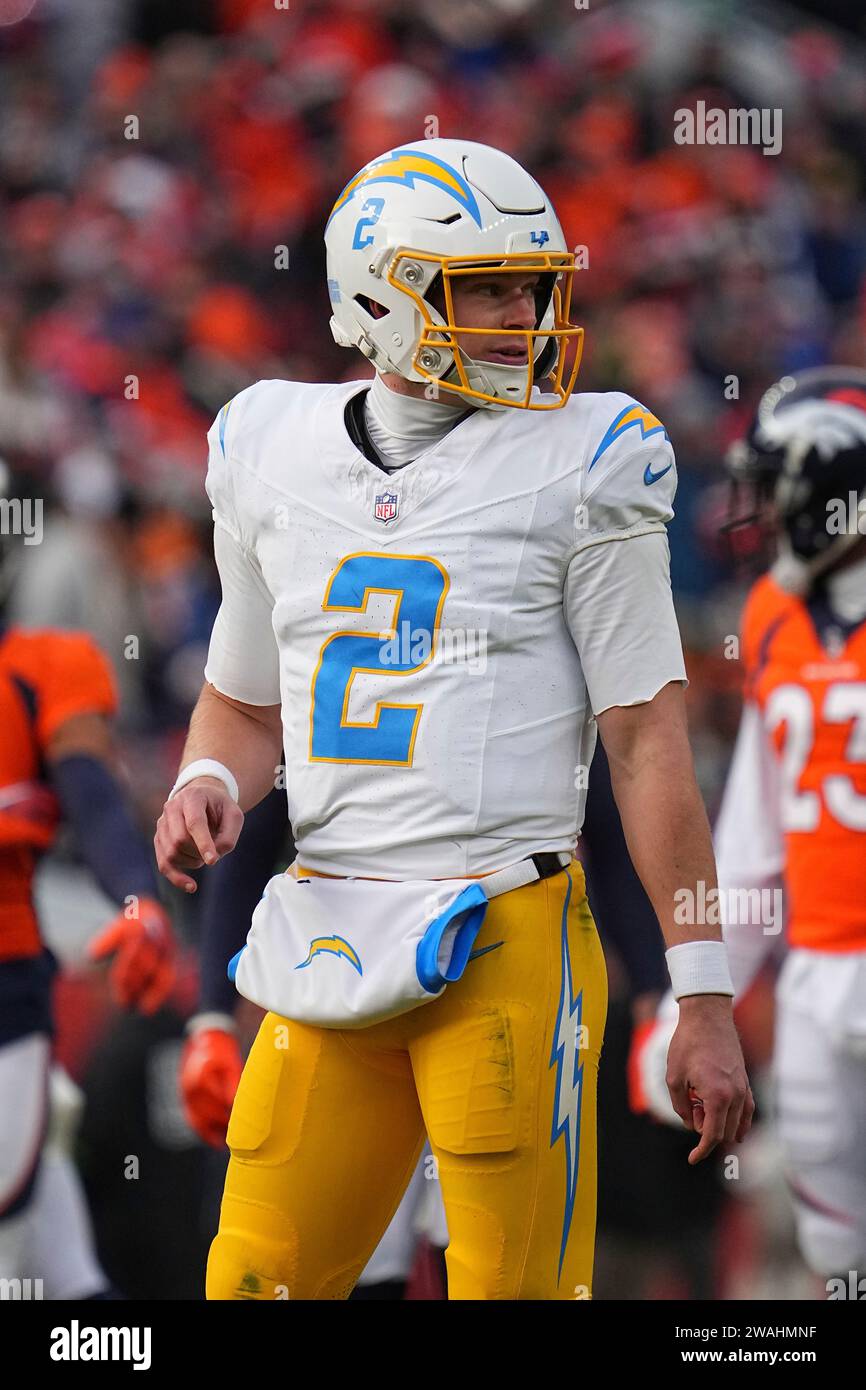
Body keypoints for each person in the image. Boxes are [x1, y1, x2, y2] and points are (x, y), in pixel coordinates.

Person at [155, 138, 752, 1301]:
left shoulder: (591, 455)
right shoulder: (267, 444)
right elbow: (240, 703)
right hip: (325, 930)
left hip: (505, 928)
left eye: (531, 284)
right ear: (380, 294)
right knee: (256, 1281)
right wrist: (207, 782)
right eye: (483, 284)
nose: (521, 312)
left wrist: (702, 996)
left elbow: (642, 744)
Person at [634, 367, 866, 1283]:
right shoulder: (771, 615)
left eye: (778, 491)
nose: (759, 515)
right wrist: (695, 1010)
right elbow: (752, 858)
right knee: (836, 1251)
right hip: (814, 981)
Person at [0, 463, 178, 1293]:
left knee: (23, 1219)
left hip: (6, 984)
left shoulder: (36, 668)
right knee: (54, 1258)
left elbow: (97, 802)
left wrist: (138, 901)